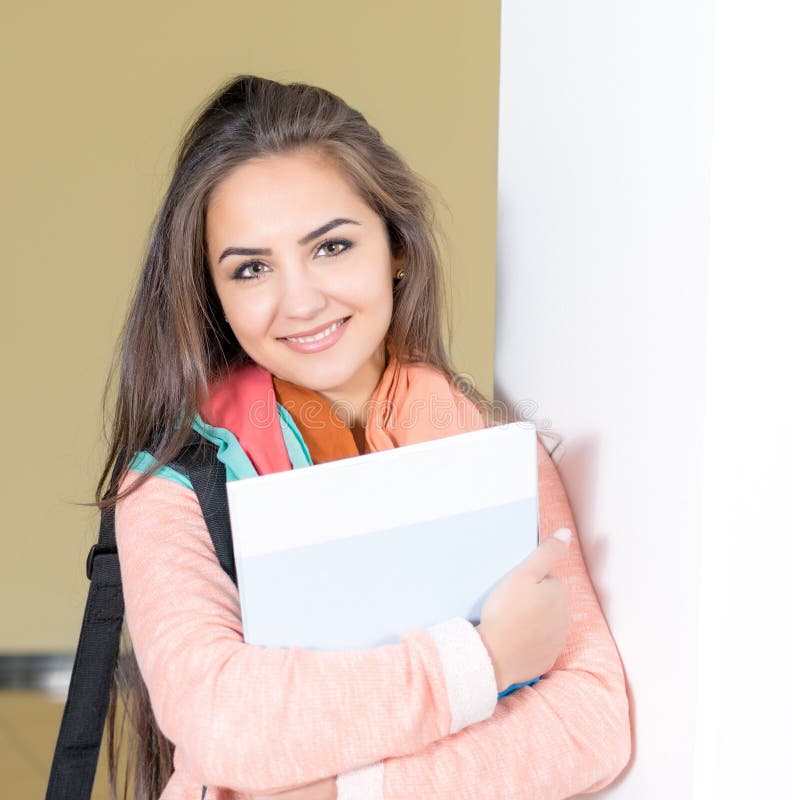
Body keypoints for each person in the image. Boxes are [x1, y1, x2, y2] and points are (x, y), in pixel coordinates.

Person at [95, 74, 631, 799]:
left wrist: (334, 791)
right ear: (213, 296)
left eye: (331, 247)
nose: (302, 300)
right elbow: (224, 724)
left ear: (396, 247)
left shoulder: (496, 451)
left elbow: (591, 718)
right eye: (252, 268)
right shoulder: (171, 484)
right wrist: (485, 661)